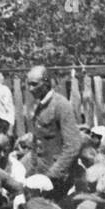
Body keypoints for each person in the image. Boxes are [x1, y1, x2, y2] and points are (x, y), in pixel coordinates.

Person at [26, 65, 82, 196]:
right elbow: (36, 142)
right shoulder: (38, 105)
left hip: (58, 178)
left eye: (34, 84)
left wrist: (53, 174)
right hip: (40, 174)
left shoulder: (61, 105)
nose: (30, 89)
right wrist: (33, 171)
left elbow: (73, 145)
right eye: (29, 84)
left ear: (46, 83)